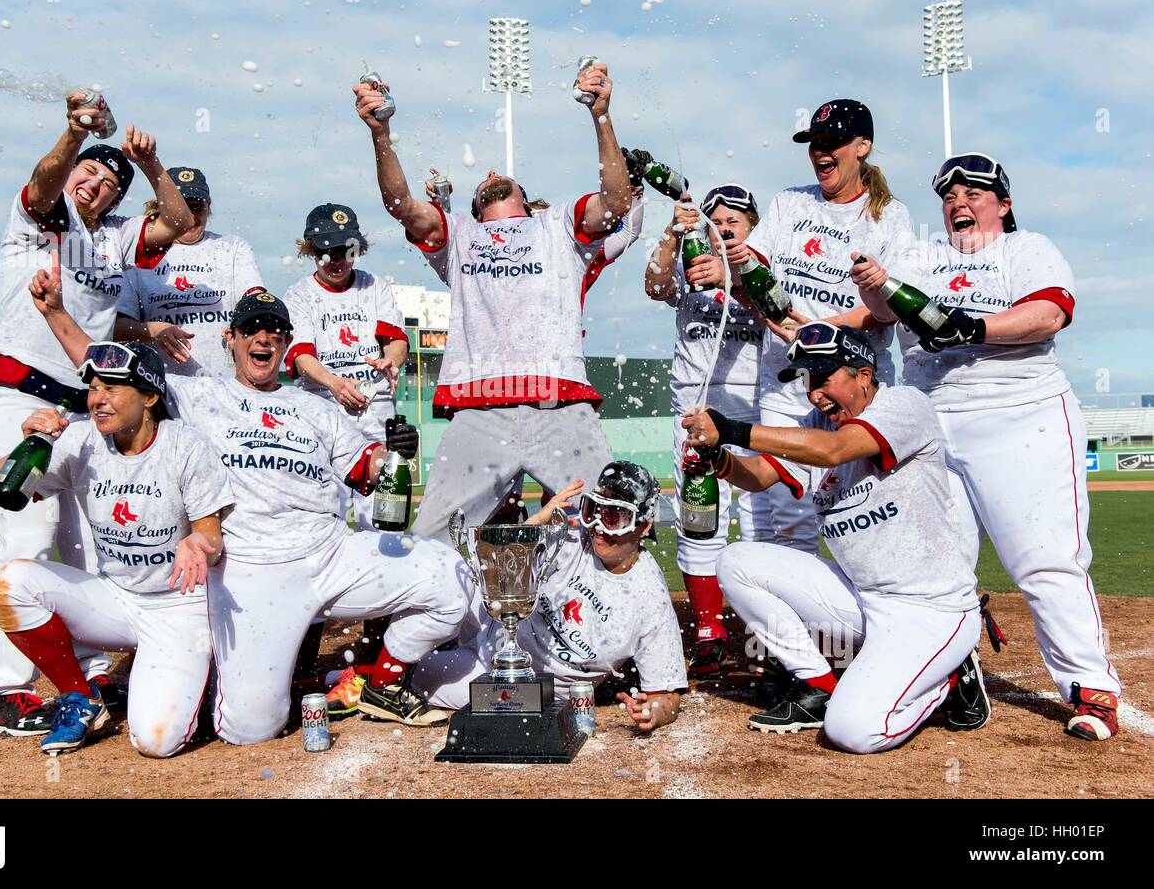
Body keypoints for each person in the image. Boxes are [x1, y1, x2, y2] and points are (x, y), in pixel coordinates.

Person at [32, 264, 474, 740]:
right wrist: (56, 312)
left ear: (286, 344)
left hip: (330, 554)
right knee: (250, 728)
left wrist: (394, 453)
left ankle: (380, 685)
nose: (264, 338)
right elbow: (110, 365)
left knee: (449, 578)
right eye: (252, 329)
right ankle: (215, 675)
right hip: (252, 571)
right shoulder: (198, 394)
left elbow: (364, 466)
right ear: (231, 338)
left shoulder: (317, 407)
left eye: (276, 331)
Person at [849, 152, 1122, 740]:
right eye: (949, 196)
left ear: (1004, 203)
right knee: (931, 565)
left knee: (1045, 560)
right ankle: (953, 671)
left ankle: (1089, 686)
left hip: (1021, 413)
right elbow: (879, 313)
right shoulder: (921, 256)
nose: (959, 203)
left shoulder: (1027, 250)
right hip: (930, 418)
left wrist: (972, 328)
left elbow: (1050, 313)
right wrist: (874, 285)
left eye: (974, 192)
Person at [0, 93, 193, 736]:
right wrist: (73, 134)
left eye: (108, 181)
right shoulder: (43, 218)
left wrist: (150, 166)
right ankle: (0, 691)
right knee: (29, 534)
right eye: (88, 172)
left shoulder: (117, 237)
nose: (95, 182)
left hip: (82, 408)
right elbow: (42, 180)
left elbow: (175, 220)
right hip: (16, 394)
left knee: (91, 540)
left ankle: (86, 673)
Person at [353, 60, 632, 545]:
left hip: (560, 405)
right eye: (483, 183)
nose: (490, 174)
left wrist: (601, 116)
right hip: (479, 409)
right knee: (431, 541)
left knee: (614, 528)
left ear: (526, 199)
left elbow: (617, 201)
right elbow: (400, 205)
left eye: (503, 178)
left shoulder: (558, 227)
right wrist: (381, 132)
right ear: (475, 207)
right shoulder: (459, 234)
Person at [682, 323, 991, 754]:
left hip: (930, 609)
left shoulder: (904, 404)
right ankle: (818, 684)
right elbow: (759, 477)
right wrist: (719, 460)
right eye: (808, 382)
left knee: (854, 732)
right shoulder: (816, 424)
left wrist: (730, 429)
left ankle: (950, 678)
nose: (814, 394)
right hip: (864, 600)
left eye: (823, 379)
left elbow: (834, 451)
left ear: (863, 375)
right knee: (736, 561)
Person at [0, 341, 230, 756]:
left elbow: (211, 538)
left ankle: (201, 671)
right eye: (93, 389)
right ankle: (80, 696)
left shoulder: (185, 444)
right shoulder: (81, 441)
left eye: (112, 388)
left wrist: (199, 543)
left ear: (149, 397)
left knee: (156, 741)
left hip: (176, 605)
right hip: (114, 598)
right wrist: (27, 444)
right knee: (10, 582)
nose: (97, 399)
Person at [721, 99, 913, 555]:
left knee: (868, 504)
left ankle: (883, 612)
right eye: (813, 144)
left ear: (862, 146)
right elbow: (753, 286)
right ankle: (801, 624)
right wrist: (735, 270)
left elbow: (889, 311)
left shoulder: (891, 216)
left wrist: (820, 330)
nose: (820, 152)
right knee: (790, 511)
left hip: (854, 379)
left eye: (832, 143)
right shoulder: (790, 202)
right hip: (786, 378)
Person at [412, 462, 688, 733]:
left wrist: (654, 712)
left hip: (523, 684)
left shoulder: (650, 598)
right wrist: (537, 521)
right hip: (494, 619)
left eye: (613, 517)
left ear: (643, 525)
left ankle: (393, 674)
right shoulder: (573, 540)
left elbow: (667, 695)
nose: (598, 527)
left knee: (417, 675)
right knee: (446, 568)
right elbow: (494, 563)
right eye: (593, 511)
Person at [644, 184, 768, 677]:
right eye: (715, 218)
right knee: (700, 521)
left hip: (754, 408)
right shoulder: (689, 264)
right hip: (695, 406)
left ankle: (766, 630)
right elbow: (654, 285)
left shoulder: (762, 265)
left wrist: (734, 274)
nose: (724, 226)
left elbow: (778, 311)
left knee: (761, 519)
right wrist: (673, 233)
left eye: (735, 219)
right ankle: (709, 633)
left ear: (753, 226)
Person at [282, 203, 410, 533]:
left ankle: (384, 577)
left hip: (376, 413)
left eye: (344, 250)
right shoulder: (300, 294)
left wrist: (391, 359)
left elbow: (396, 340)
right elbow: (301, 356)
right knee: (327, 514)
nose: (336, 259)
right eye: (326, 251)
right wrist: (334, 383)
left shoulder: (373, 286)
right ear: (311, 250)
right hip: (324, 412)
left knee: (385, 520)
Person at [116, 166, 265, 377]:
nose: (190, 217)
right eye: (182, 208)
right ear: (161, 208)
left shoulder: (232, 247)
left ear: (209, 209)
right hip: (162, 384)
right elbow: (116, 327)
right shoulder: (138, 254)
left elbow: (257, 305)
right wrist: (153, 330)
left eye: (197, 207)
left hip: (225, 383)